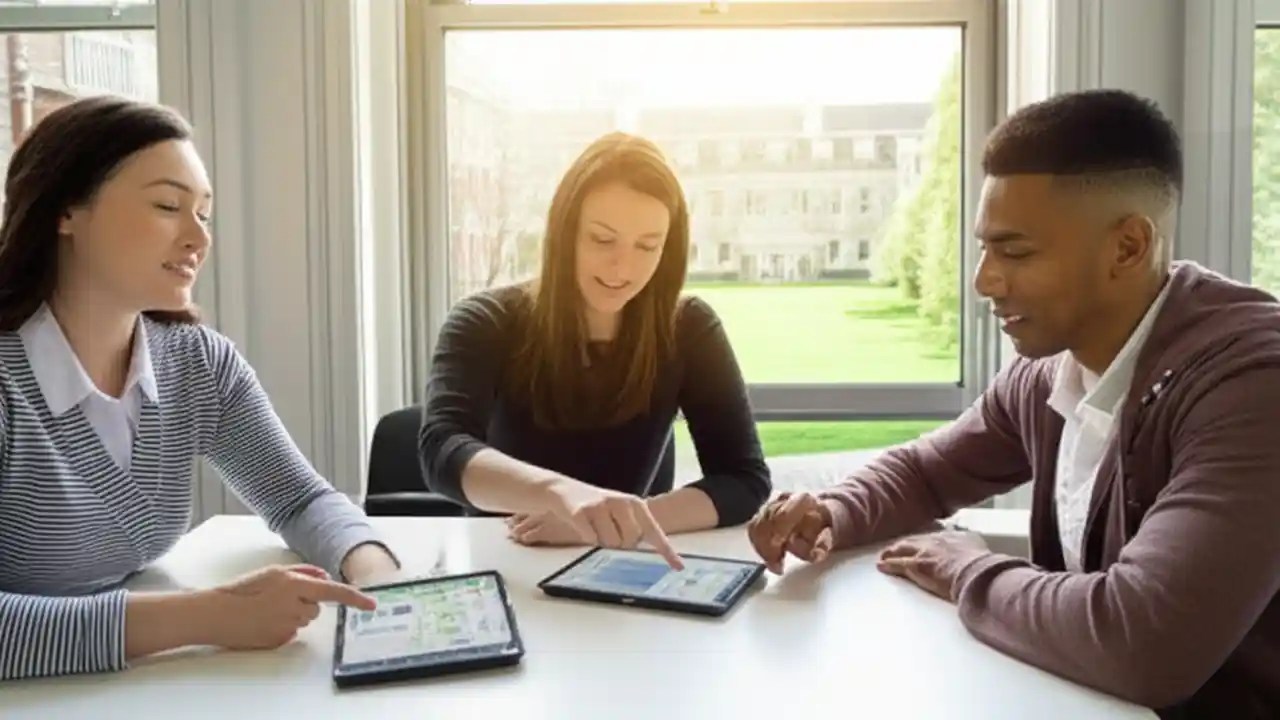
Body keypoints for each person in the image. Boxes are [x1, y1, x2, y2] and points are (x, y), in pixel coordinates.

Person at [747, 89, 1280, 719]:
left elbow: (1145, 643)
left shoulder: (1252, 386)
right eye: (984, 248)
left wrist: (967, 569)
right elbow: (925, 471)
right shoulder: (1049, 368)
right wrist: (832, 510)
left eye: (1016, 252)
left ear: (1129, 247)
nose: (983, 281)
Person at [0, 96, 400, 682]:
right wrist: (208, 617)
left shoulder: (198, 363)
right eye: (167, 205)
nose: (198, 238)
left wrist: (376, 574)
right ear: (66, 211)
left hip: (121, 688)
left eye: (204, 214)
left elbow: (299, 498)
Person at [419, 132, 770, 567]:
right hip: (509, 562)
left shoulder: (690, 327)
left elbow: (744, 479)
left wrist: (617, 521)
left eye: (647, 246)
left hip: (623, 562)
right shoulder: (484, 321)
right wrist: (564, 497)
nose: (623, 268)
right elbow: (442, 450)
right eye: (603, 240)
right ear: (566, 233)